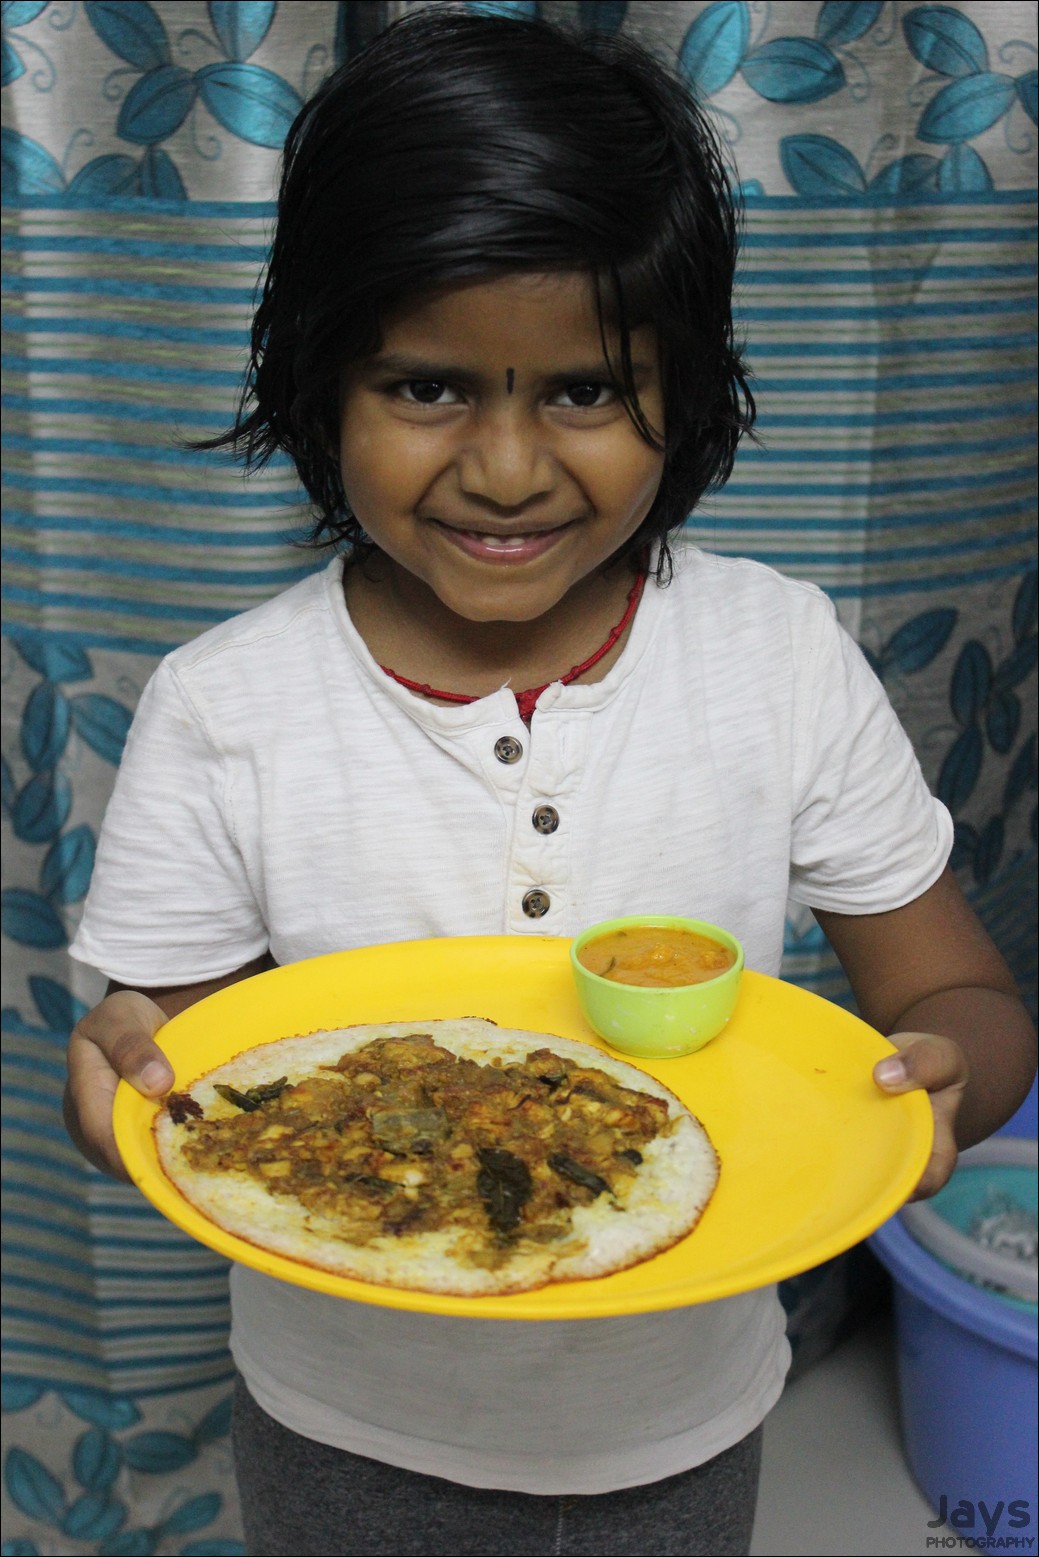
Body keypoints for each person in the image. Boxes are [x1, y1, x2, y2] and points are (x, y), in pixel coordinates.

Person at [63, 11, 1035, 1557]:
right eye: (430, 387)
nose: (508, 468)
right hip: (341, 1426)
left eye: (584, 392)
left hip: (684, 1419)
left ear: (690, 388)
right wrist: (116, 1070)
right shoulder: (225, 707)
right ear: (319, 383)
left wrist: (940, 1083)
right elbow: (180, 1066)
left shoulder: (778, 655)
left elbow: (975, 1008)